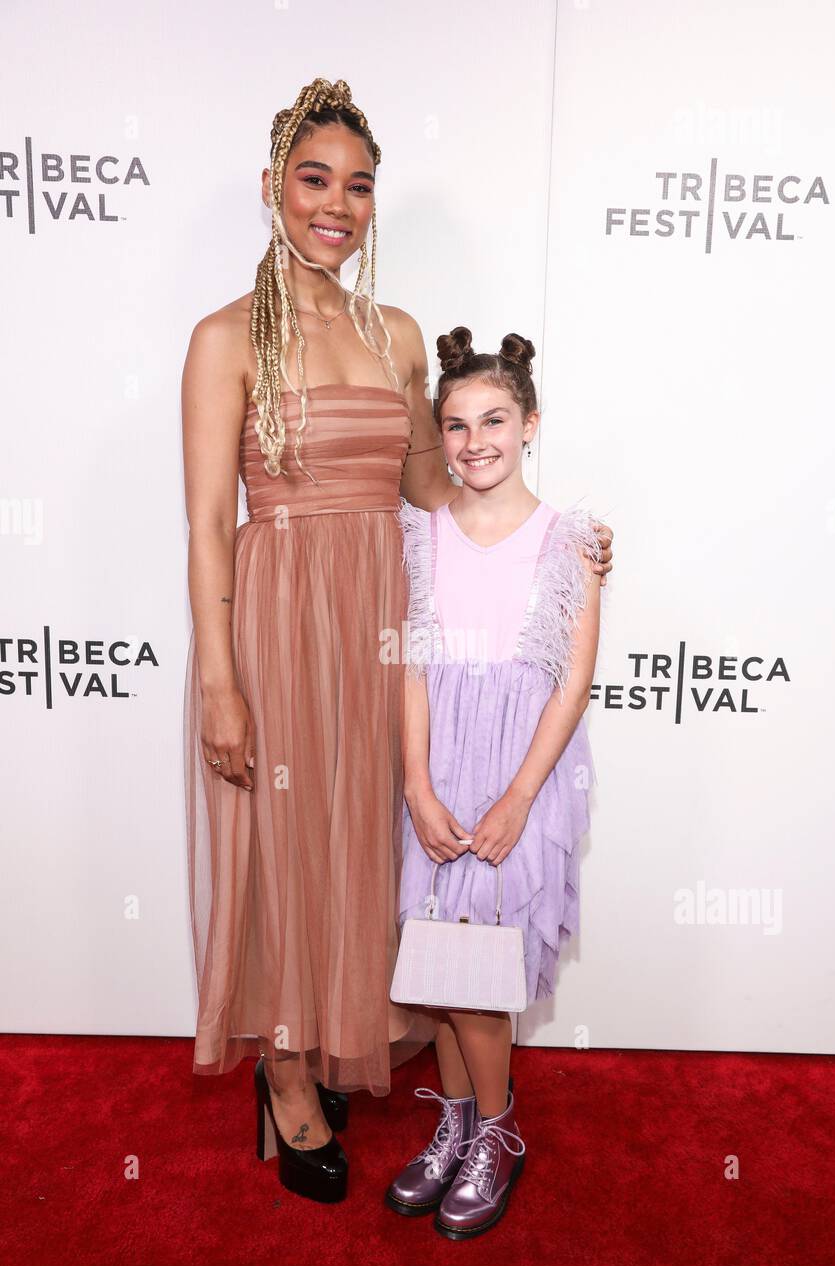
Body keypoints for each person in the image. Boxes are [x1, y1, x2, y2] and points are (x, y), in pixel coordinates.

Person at [182, 77, 615, 1205]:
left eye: (358, 186)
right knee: (284, 841)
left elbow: (433, 483)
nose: (336, 205)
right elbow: (203, 527)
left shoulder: (397, 333)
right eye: (314, 179)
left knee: (370, 841)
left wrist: (555, 543)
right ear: (274, 187)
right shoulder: (223, 338)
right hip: (281, 613)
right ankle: (284, 1071)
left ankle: (356, 1047)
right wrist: (220, 680)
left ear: (374, 202)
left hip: (385, 615)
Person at [386, 326, 602, 1239]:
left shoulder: (572, 541)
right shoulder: (420, 537)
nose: (475, 442)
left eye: (494, 420)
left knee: (480, 971)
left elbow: (572, 680)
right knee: (439, 963)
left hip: (519, 775)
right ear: (440, 435)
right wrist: (417, 791)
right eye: (456, 424)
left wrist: (517, 798)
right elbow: (411, 669)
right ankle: (460, 1120)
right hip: (437, 771)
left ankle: (501, 1132)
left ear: (530, 424)